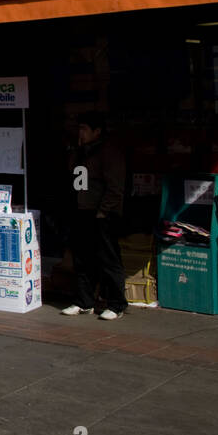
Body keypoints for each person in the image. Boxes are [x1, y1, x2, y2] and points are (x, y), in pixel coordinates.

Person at [61, 111, 127, 320]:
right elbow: (73, 175)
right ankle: (84, 301)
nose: (80, 132)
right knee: (82, 258)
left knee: (108, 258)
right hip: (81, 211)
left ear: (97, 131)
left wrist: (103, 211)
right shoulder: (80, 152)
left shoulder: (108, 152)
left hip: (101, 214)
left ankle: (116, 304)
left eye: (84, 129)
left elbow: (115, 186)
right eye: (79, 128)